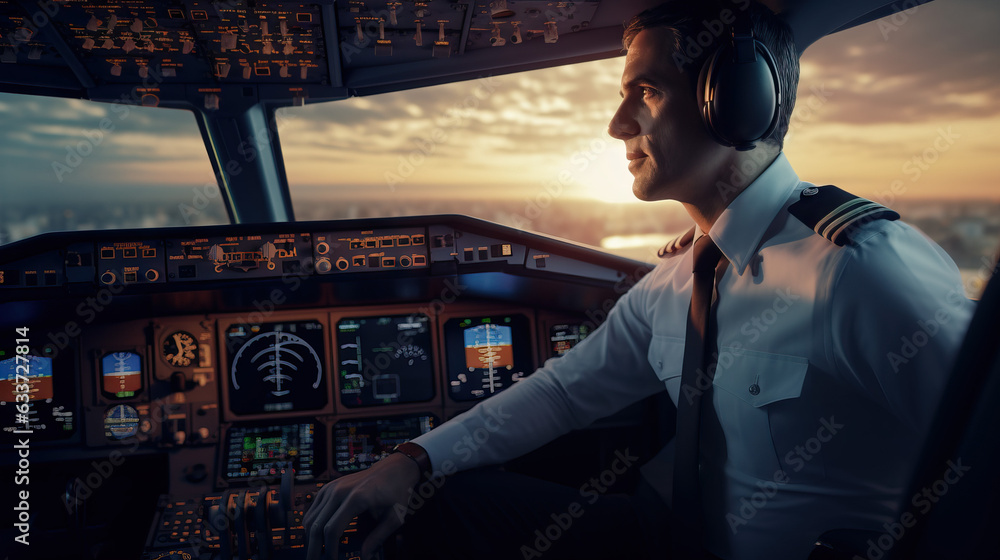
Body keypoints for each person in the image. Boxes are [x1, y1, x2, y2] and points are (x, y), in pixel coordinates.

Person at [303, 2, 974, 559]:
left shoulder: (860, 268)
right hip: (669, 535)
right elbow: (563, 393)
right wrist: (413, 460)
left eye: (646, 92)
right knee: (435, 504)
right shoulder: (680, 279)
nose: (617, 124)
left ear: (736, 102)